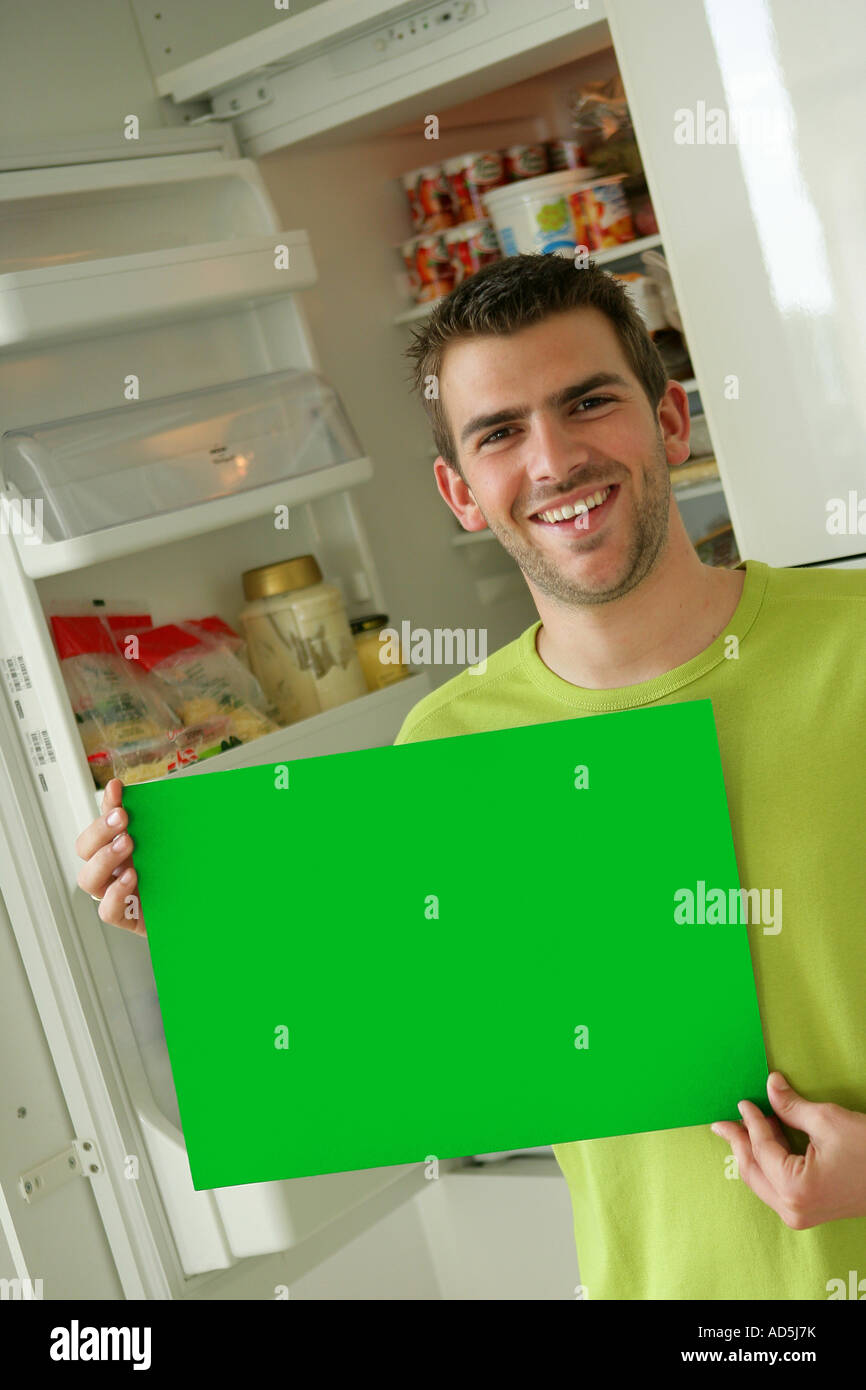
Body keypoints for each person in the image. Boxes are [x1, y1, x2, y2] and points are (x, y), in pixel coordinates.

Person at [76, 253, 866, 1301]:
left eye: (587, 401)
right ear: (459, 491)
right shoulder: (449, 747)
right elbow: (408, 1027)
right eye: (499, 431)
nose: (554, 458)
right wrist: (196, 916)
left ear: (668, 424)